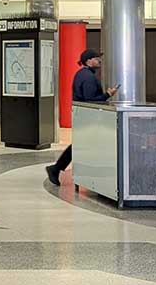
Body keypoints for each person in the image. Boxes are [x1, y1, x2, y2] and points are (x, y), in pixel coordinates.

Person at [45, 49, 117, 186]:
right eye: (96, 58)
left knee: (81, 144)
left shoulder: (82, 74)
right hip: (88, 117)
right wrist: (107, 94)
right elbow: (91, 100)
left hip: (83, 115)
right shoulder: (88, 77)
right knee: (81, 144)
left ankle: (57, 168)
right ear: (88, 61)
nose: (99, 61)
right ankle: (57, 168)